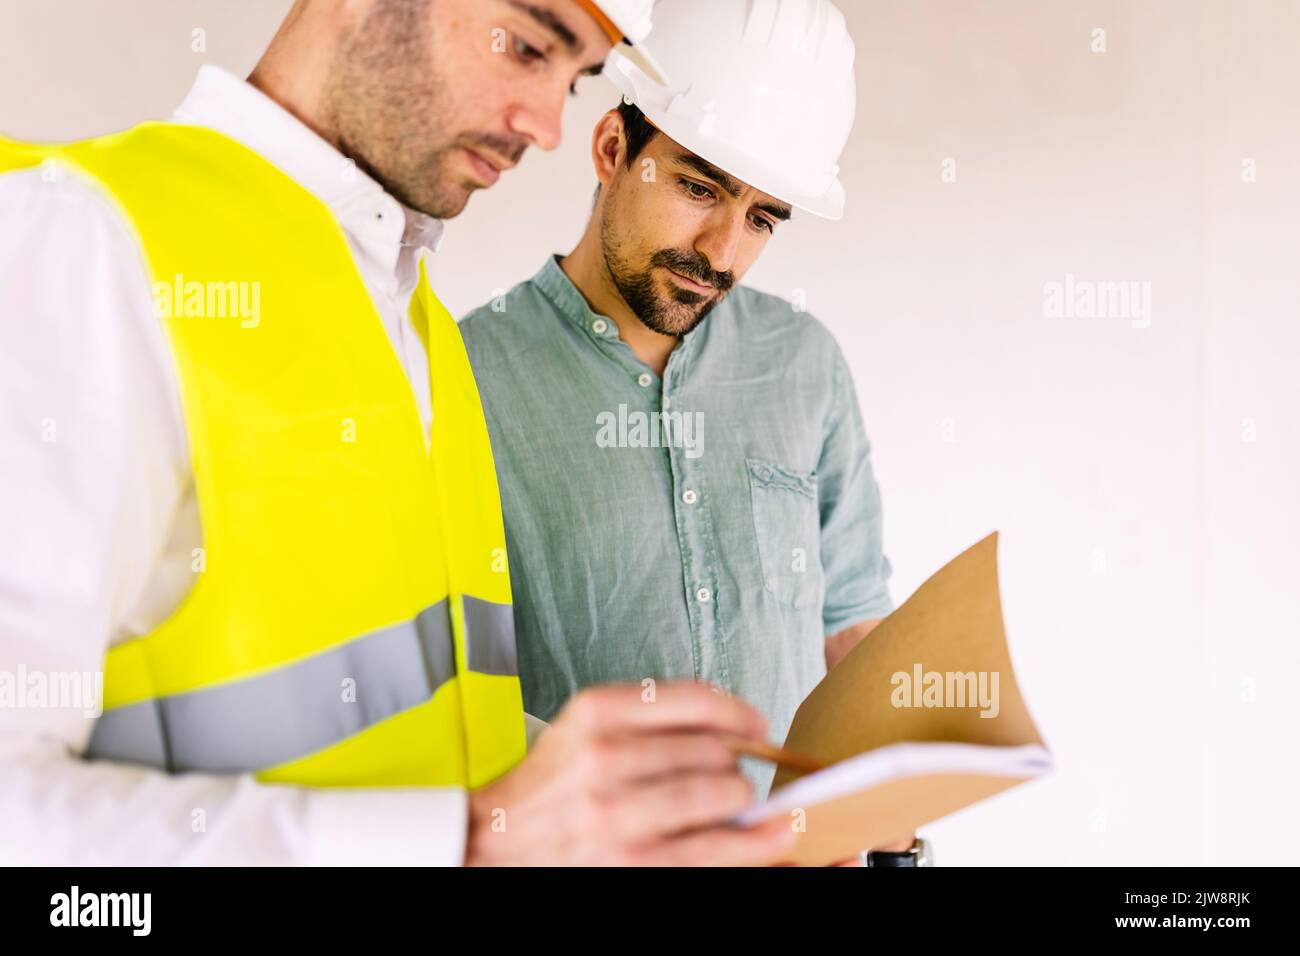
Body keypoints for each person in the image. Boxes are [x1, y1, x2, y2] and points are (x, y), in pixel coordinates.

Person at [0, 0, 796, 867]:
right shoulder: (78, 247)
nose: (544, 125)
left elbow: (432, 727)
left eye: (573, 82)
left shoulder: (424, 330)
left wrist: (655, 819)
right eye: (528, 46)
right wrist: (458, 842)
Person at [460, 0, 897, 803]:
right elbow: (445, 686)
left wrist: (883, 804)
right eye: (700, 189)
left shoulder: (805, 364)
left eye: (761, 218)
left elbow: (853, 622)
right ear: (613, 147)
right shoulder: (462, 379)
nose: (722, 253)